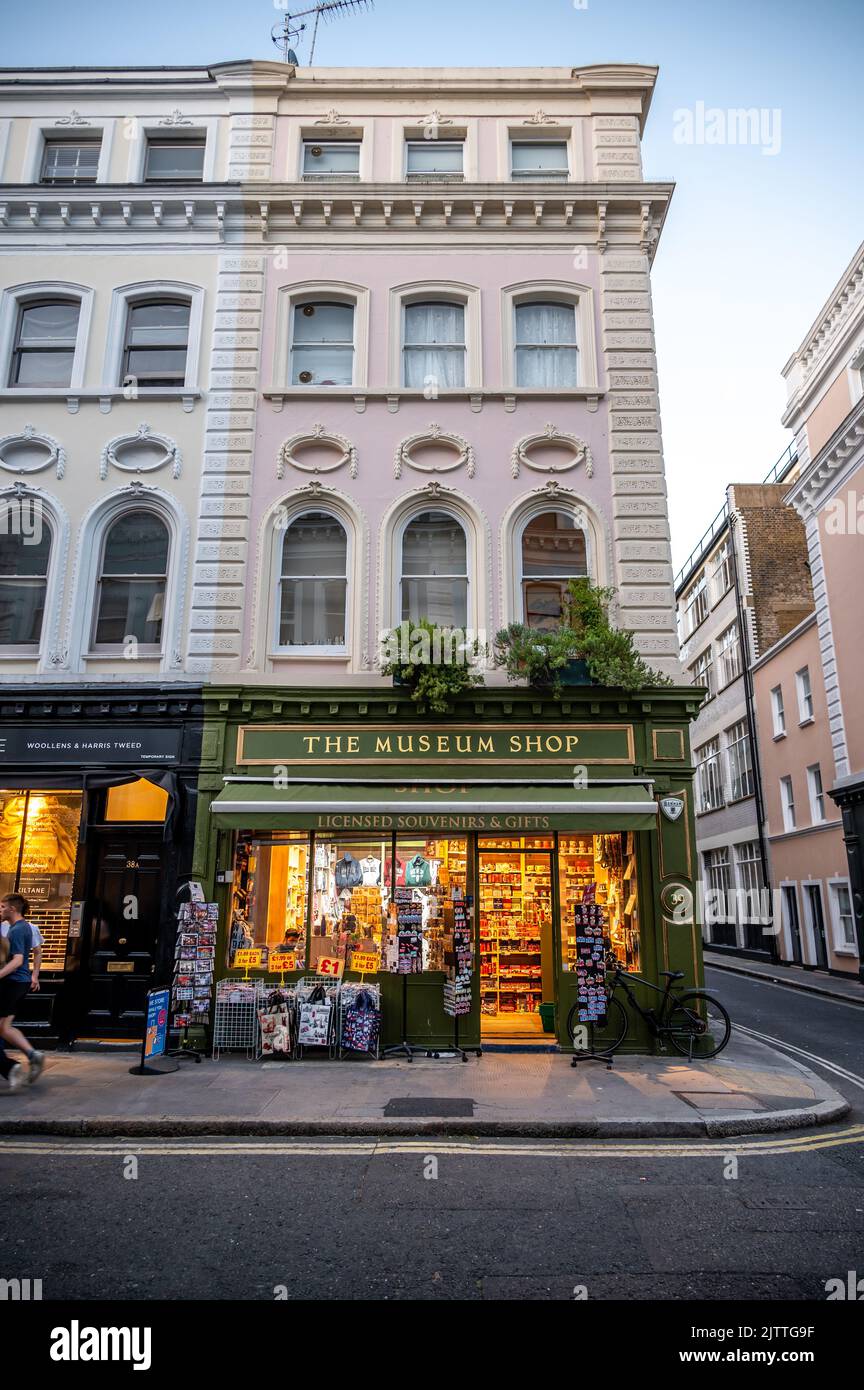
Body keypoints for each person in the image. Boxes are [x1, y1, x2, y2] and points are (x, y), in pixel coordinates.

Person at [0, 893, 45, 1089]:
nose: (0, 910)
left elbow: (18, 960)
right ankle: (28, 1057)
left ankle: (22, 1061)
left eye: (2, 907)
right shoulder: (23, 927)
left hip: (14, 982)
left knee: (4, 1027)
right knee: (3, 1026)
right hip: (19, 982)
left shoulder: (18, 929)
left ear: (12, 908)